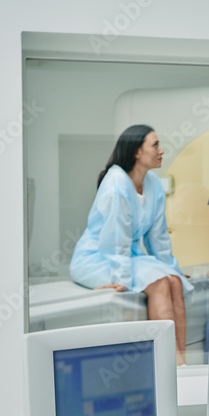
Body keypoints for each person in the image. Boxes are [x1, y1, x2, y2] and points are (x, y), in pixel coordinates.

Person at [70, 124, 192, 363]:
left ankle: (181, 363)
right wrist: (122, 279)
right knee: (159, 283)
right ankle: (169, 364)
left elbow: (158, 236)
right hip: (97, 258)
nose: (161, 151)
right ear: (137, 151)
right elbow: (116, 239)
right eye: (155, 145)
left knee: (174, 281)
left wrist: (171, 268)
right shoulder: (116, 182)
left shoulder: (153, 183)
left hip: (127, 255)